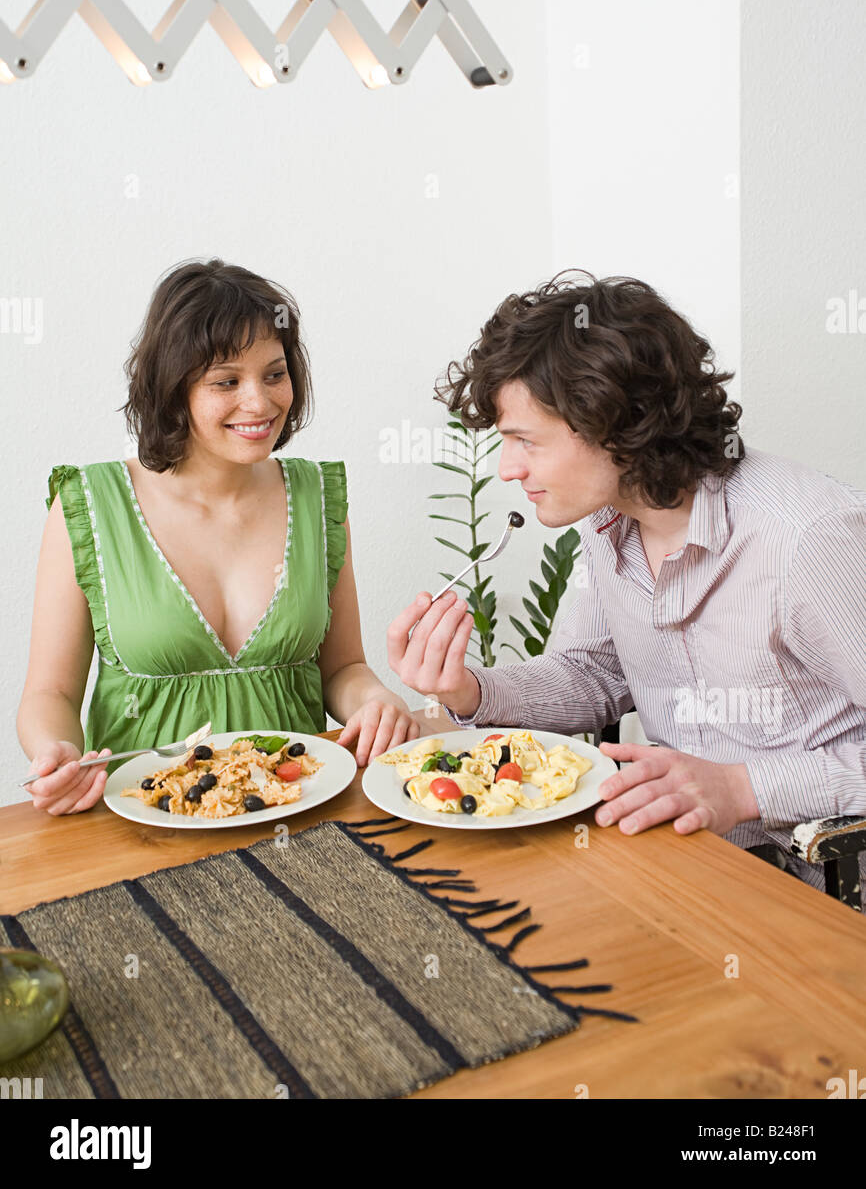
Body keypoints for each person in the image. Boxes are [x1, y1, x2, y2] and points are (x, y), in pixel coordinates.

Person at [387, 271, 866, 896]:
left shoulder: (809, 537)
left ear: (611, 421)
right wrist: (470, 690)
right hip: (684, 864)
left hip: (824, 892)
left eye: (523, 441)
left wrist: (743, 786)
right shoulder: (610, 521)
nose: (508, 469)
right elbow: (594, 675)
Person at [18, 256, 420, 815]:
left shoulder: (317, 497)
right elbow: (50, 695)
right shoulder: (88, 505)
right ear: (173, 388)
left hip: (298, 813)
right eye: (226, 381)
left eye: (274, 374)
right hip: (145, 824)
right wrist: (55, 750)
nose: (259, 403)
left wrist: (374, 700)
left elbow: (343, 668)